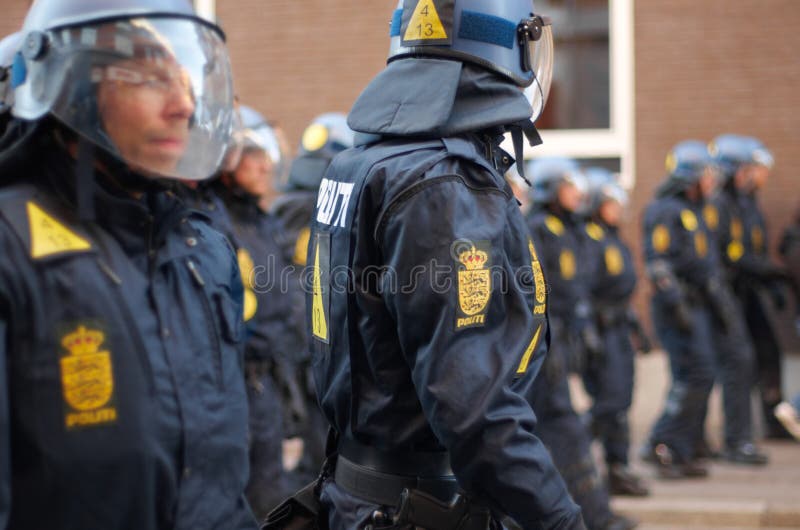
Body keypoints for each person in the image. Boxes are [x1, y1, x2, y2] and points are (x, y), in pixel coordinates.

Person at [296, 0, 586, 528]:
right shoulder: (443, 184)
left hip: (358, 492)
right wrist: (560, 519)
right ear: (508, 49)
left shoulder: (363, 163)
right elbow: (478, 412)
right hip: (422, 505)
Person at [0, 1, 258, 528]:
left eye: (185, 81)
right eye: (148, 78)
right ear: (75, 88)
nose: (183, 105)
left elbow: (222, 485)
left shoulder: (202, 249)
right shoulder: (11, 247)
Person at [525, 159, 636, 530]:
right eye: (569, 185)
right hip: (545, 340)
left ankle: (591, 512)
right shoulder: (538, 229)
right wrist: (545, 342)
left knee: (563, 427)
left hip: (569, 335)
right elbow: (537, 293)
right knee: (560, 427)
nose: (578, 193)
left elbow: (581, 288)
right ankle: (591, 515)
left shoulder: (571, 229)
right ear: (551, 189)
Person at [212, 104, 307, 518]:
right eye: (253, 154)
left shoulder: (263, 222)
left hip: (272, 379)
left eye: (266, 153)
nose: (266, 165)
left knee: (274, 497)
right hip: (238, 384)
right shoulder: (214, 223)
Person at [271, 111, 355, 483]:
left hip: (298, 347)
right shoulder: (318, 210)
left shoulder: (285, 207)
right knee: (322, 460)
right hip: (313, 349)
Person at [639, 141, 721, 479]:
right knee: (693, 375)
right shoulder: (666, 210)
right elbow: (658, 263)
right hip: (677, 307)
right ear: (691, 178)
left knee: (702, 374)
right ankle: (663, 444)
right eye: (707, 174)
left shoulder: (695, 210)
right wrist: (676, 304)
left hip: (696, 304)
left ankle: (684, 447)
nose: (712, 180)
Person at [710, 134, 796, 440]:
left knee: (768, 354)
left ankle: (774, 423)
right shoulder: (720, 205)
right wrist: (772, 272)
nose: (762, 176)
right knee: (739, 361)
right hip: (729, 293)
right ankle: (737, 436)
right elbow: (729, 254)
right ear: (738, 171)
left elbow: (754, 250)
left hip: (751, 291)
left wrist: (771, 284)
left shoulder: (750, 204)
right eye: (755, 169)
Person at [580, 167, 650, 497]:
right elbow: (582, 289)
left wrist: (636, 327)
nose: (617, 209)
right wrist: (588, 331)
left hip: (619, 328)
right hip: (600, 330)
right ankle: (571, 457)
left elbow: (623, 288)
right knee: (609, 400)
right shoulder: (587, 238)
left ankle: (617, 467)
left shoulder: (612, 238)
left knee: (622, 399)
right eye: (611, 203)